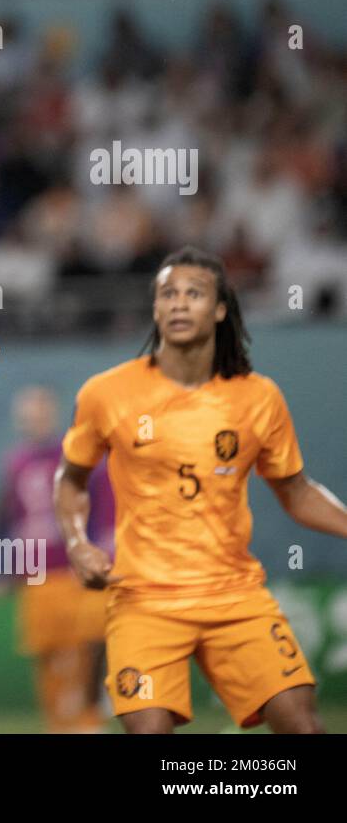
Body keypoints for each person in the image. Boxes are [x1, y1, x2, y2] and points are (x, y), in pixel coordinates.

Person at [55, 246, 347, 733]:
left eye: (194, 293)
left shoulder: (258, 398)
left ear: (219, 309)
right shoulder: (107, 393)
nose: (178, 303)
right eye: (167, 293)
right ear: (154, 308)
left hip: (234, 595)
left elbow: (296, 491)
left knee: (302, 723)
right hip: (144, 599)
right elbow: (71, 478)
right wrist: (76, 542)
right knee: (149, 730)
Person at [0, 385, 114, 732]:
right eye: (25, 416)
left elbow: (105, 512)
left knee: (79, 654)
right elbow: (13, 520)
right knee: (47, 655)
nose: (30, 422)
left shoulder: (80, 455)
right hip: (36, 577)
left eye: (37, 413)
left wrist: (103, 557)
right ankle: (60, 724)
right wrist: (7, 567)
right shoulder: (16, 463)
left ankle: (86, 722)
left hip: (72, 571)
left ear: (52, 413)